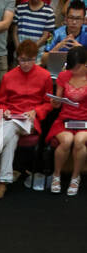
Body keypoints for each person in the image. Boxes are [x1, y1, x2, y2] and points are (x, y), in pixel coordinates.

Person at [0, 37, 52, 194]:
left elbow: (48, 103)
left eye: (30, 60)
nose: (26, 63)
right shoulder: (9, 76)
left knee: (11, 126)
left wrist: (36, 112)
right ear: (17, 58)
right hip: (11, 119)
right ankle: (3, 182)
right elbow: (0, 103)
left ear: (36, 58)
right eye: (22, 60)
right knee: (11, 137)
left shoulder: (44, 76)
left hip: (30, 121)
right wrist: (4, 110)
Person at [47, 42, 87, 192]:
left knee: (79, 141)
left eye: (77, 67)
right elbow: (56, 104)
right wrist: (55, 101)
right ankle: (56, 175)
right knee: (67, 140)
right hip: (66, 118)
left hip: (85, 120)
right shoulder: (64, 76)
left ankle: (75, 177)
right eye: (72, 67)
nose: (74, 71)